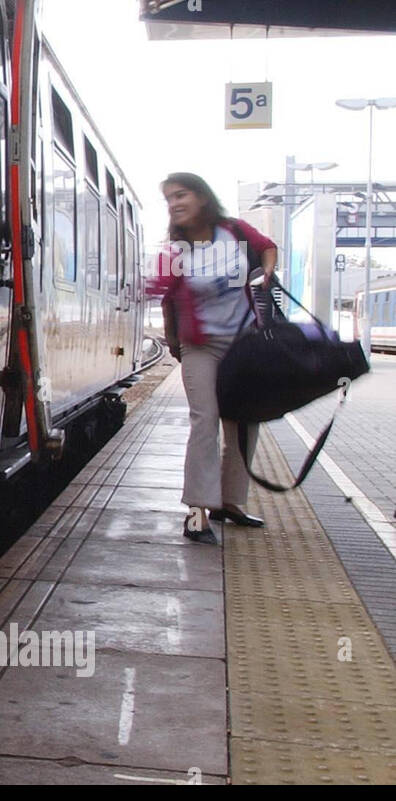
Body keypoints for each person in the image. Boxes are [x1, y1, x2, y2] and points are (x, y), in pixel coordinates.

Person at [146, 172, 278, 544]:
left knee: (244, 423)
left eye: (180, 194)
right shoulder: (175, 249)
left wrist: (267, 270)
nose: (174, 203)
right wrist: (173, 339)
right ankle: (197, 511)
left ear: (202, 197)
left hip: (243, 343)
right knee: (205, 421)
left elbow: (268, 246)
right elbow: (166, 298)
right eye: (169, 198)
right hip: (200, 346)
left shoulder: (234, 231)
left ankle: (231, 503)